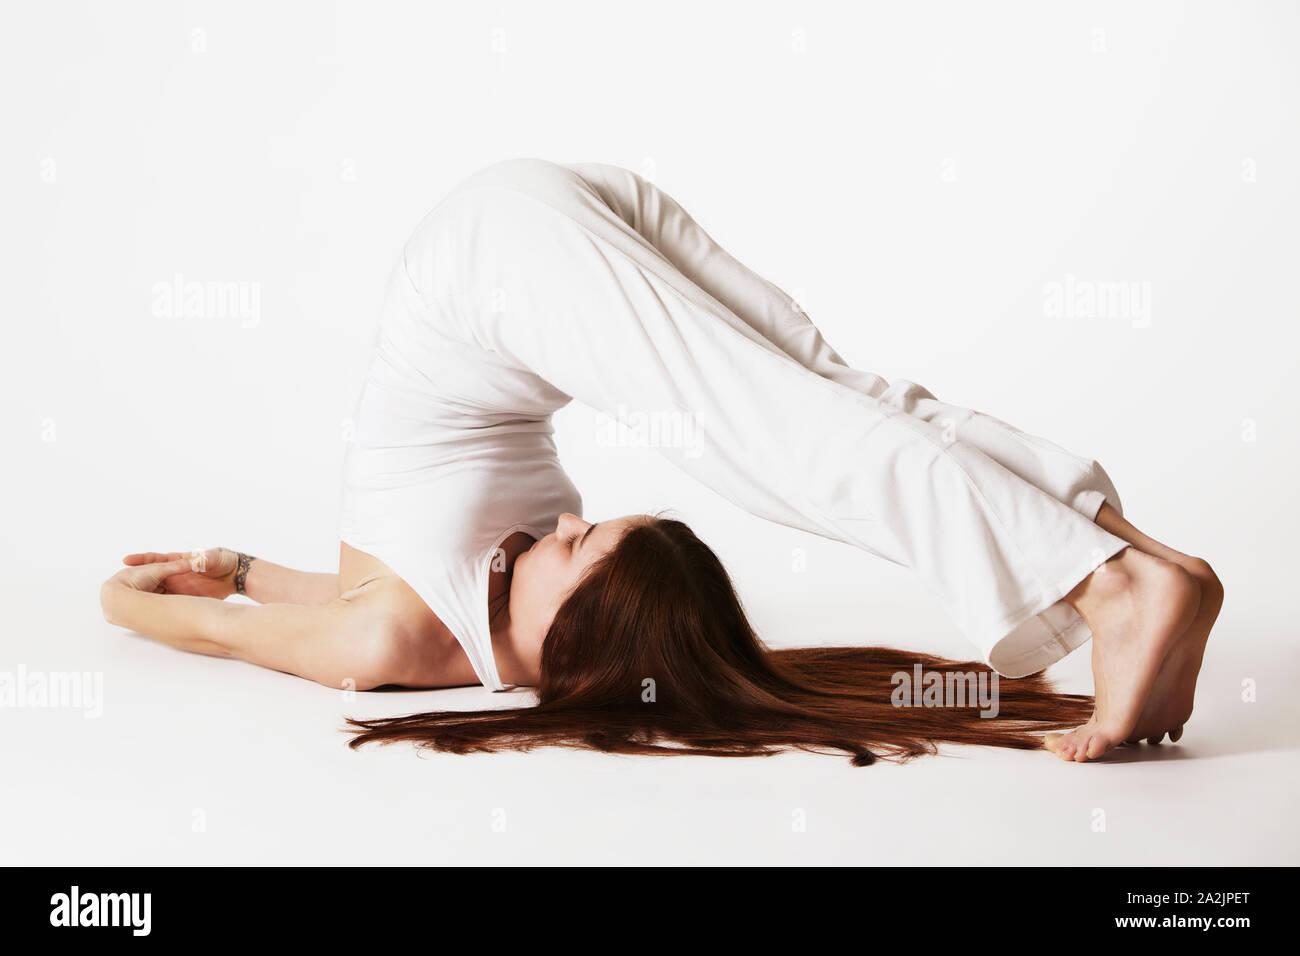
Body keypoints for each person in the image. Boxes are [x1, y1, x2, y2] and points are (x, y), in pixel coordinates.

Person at [100, 159, 1222, 765]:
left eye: (583, 541)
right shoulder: (421, 625)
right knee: (836, 402)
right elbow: (355, 599)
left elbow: (245, 630)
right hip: (535, 239)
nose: (558, 527)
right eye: (580, 534)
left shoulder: (396, 636)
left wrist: (139, 593)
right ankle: (1132, 565)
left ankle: (1108, 583)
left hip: (502, 263)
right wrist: (237, 567)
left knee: (786, 432)